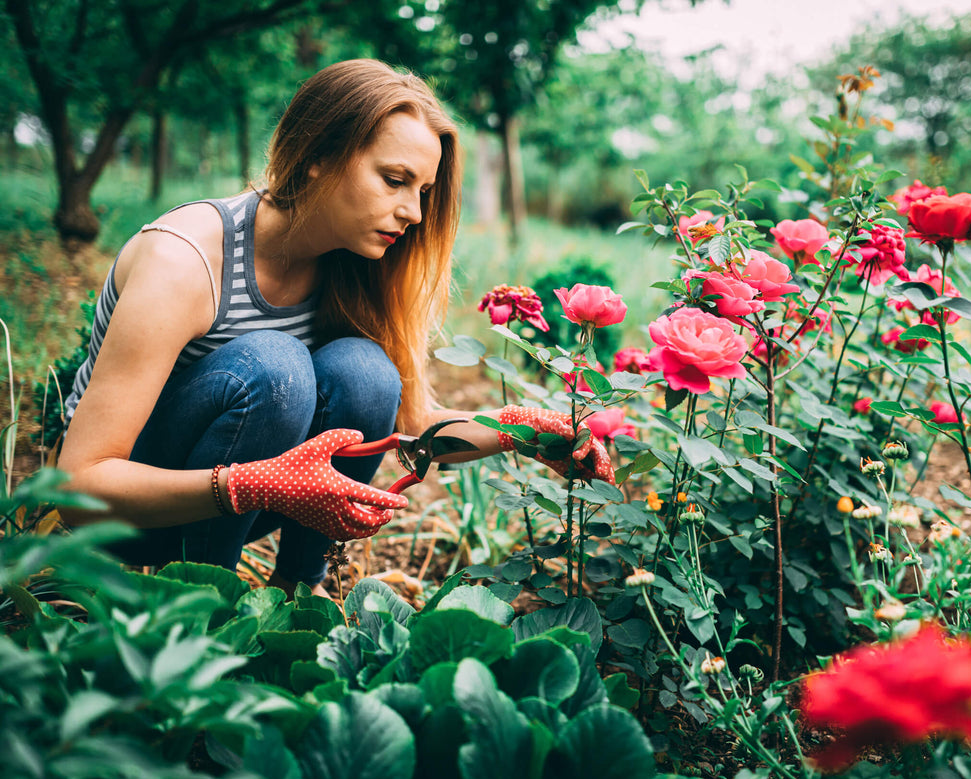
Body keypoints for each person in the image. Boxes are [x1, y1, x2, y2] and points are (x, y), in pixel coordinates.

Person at [57, 59, 613, 596]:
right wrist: (255, 481)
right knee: (275, 368)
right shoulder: (186, 261)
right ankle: (209, 601)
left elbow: (415, 427)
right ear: (318, 153)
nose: (414, 213)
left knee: (366, 372)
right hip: (128, 520)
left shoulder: (355, 267)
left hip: (251, 500)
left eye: (422, 191)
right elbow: (78, 490)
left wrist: (524, 431)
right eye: (394, 180)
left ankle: (299, 593)